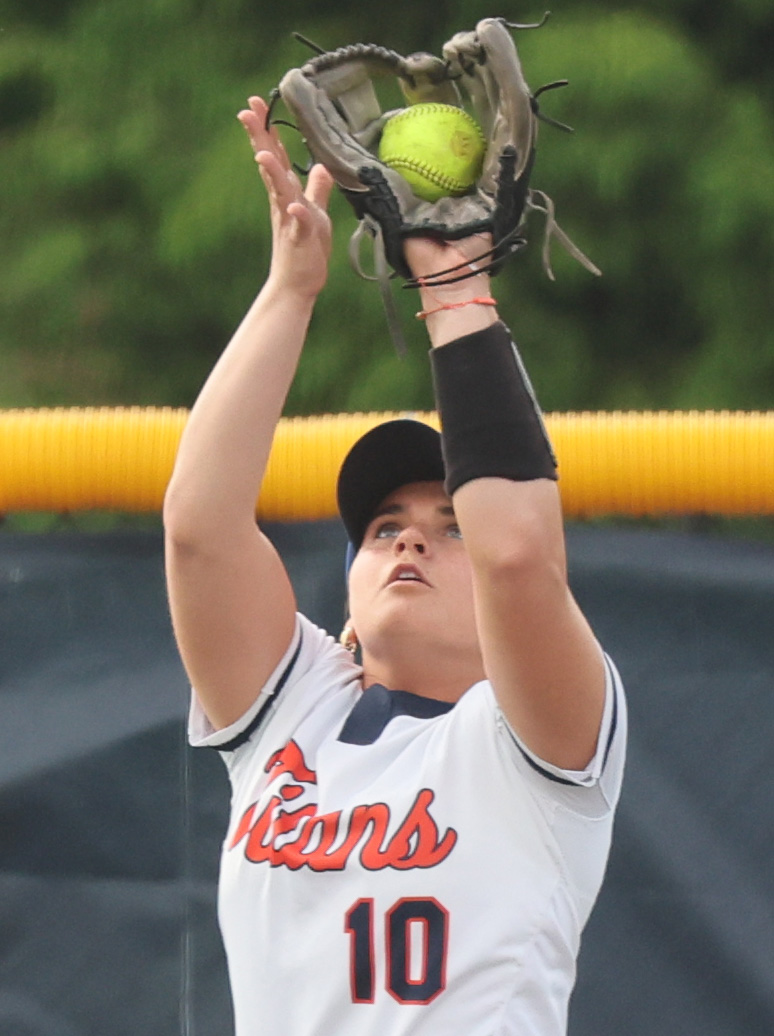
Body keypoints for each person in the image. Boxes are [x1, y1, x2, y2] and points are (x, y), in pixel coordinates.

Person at [163, 95, 626, 1036]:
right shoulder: (296, 714)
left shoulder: (534, 747)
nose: (411, 538)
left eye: (448, 524)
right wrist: (290, 289)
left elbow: (522, 555)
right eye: (384, 526)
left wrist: (456, 290)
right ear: (348, 600)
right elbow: (200, 529)